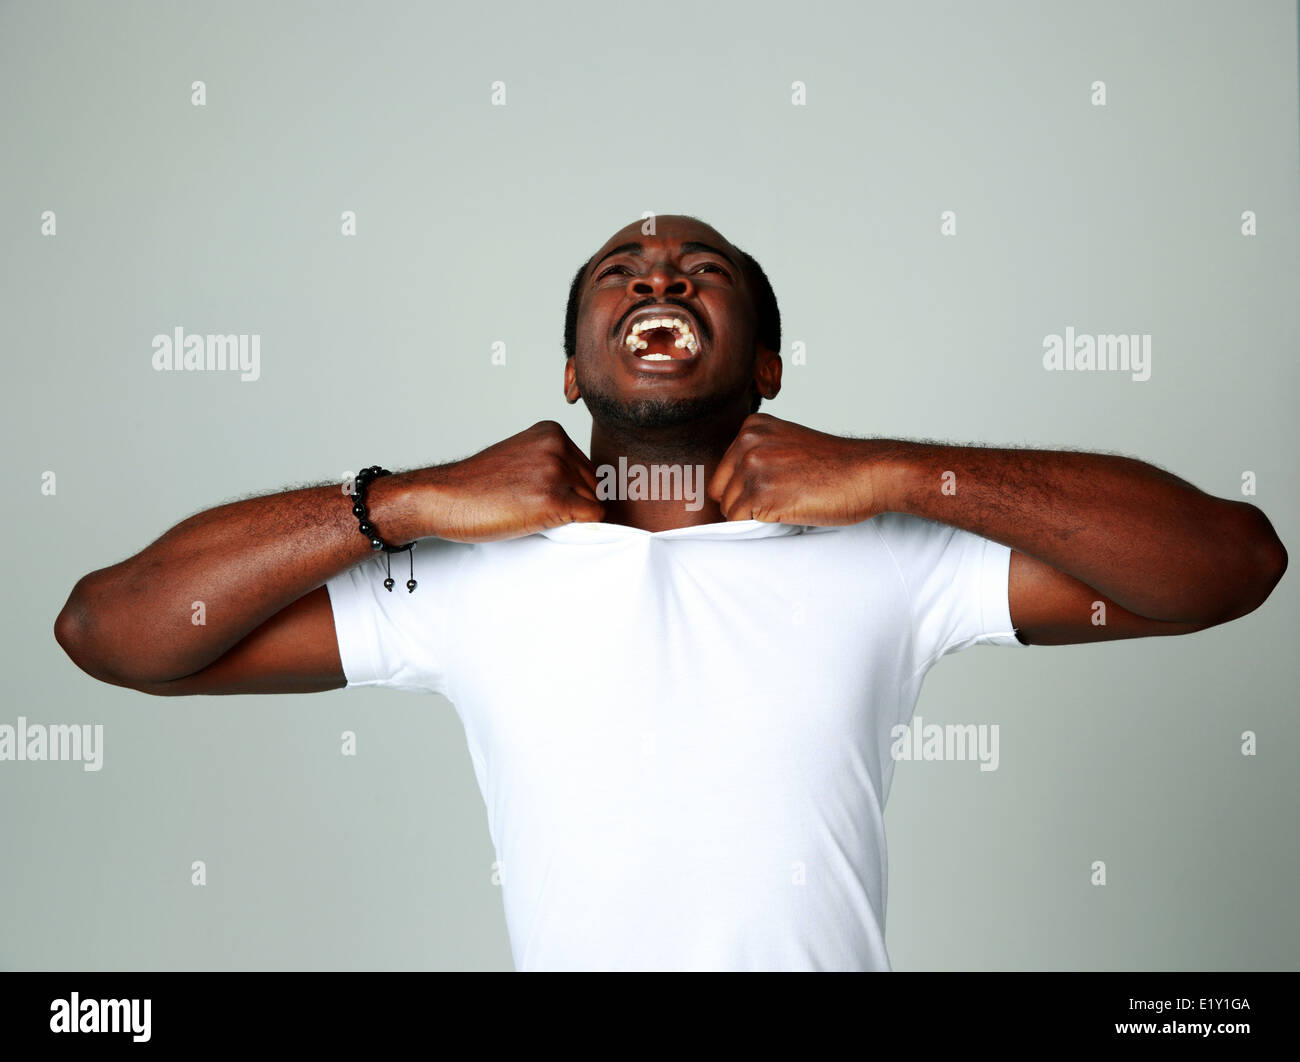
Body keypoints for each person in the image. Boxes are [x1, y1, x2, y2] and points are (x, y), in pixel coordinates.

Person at [54, 215, 1287, 971]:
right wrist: (407, 497)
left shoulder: (895, 551)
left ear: (765, 364)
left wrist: (911, 472)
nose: (658, 282)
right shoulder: (463, 577)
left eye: (700, 271)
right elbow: (113, 632)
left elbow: (1230, 566)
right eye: (622, 273)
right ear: (572, 364)